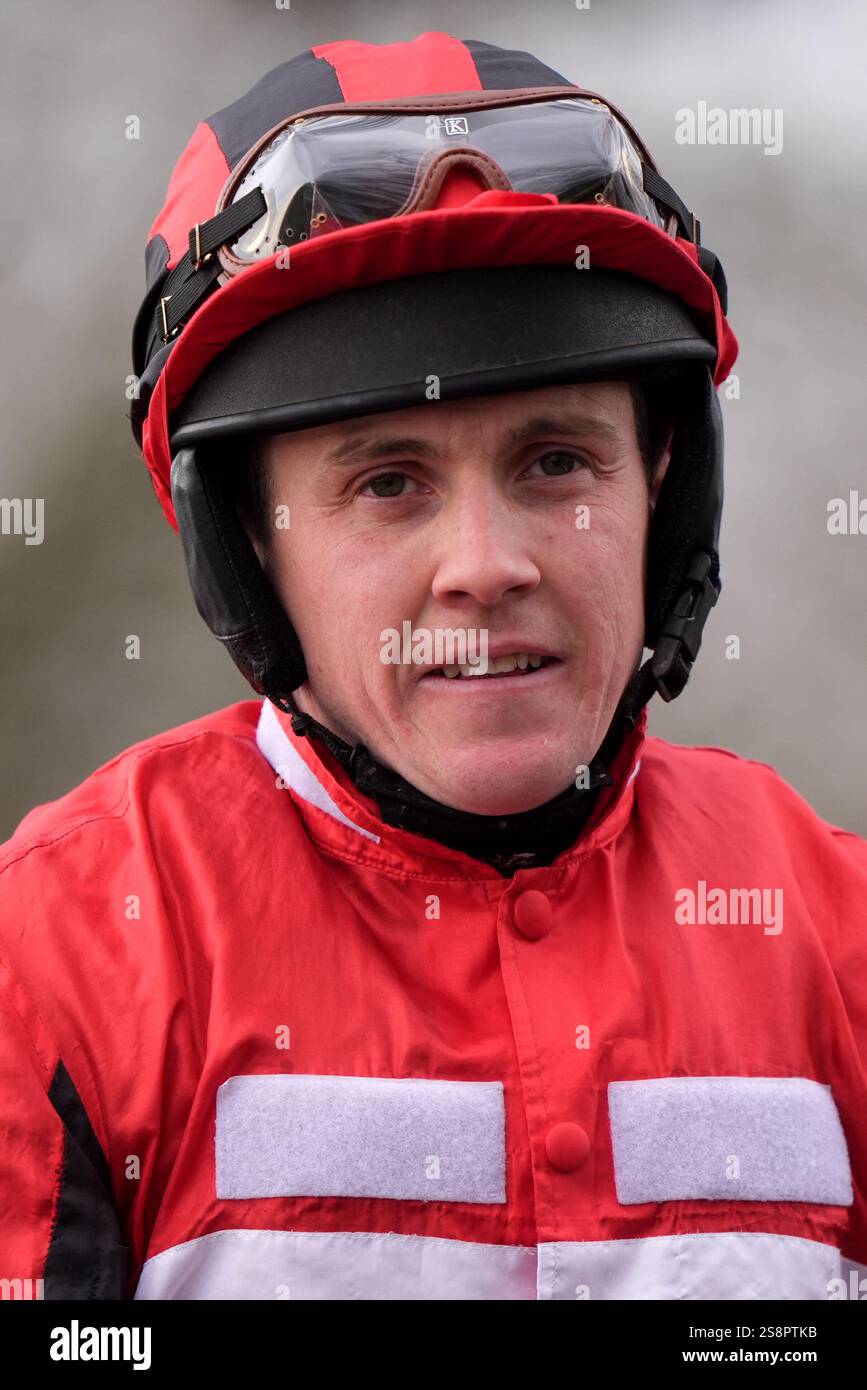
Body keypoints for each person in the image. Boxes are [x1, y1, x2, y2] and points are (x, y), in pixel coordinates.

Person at [0, 30, 865, 1303]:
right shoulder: (58, 953)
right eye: (388, 482)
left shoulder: (838, 937)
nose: (486, 562)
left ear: (664, 490)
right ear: (250, 542)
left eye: (556, 462)